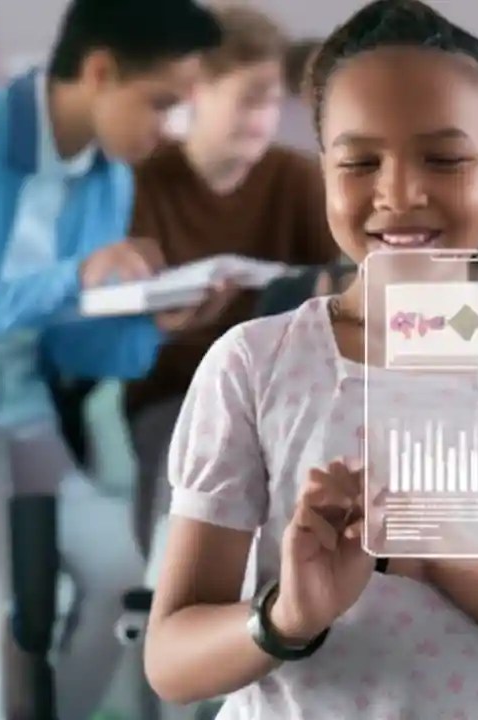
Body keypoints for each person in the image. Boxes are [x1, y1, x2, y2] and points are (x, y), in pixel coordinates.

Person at [143, 2, 478, 717]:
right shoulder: (253, 368)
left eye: (444, 158)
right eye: (359, 162)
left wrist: (448, 558)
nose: (399, 193)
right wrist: (287, 616)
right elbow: (171, 661)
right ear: (325, 171)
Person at [0, 1, 228, 718]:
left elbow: (74, 343)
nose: (169, 127)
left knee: (125, 588)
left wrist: (159, 320)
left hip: (25, 419)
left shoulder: (105, 179)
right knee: (3, 616)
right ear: (101, 70)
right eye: (162, 103)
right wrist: (72, 278)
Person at [123, 4, 339, 565]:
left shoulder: (298, 179)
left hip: (285, 393)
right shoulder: (142, 183)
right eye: (250, 97)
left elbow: (339, 287)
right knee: (193, 470)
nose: (264, 116)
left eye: (272, 100)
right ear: (196, 92)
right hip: (176, 394)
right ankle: (170, 612)